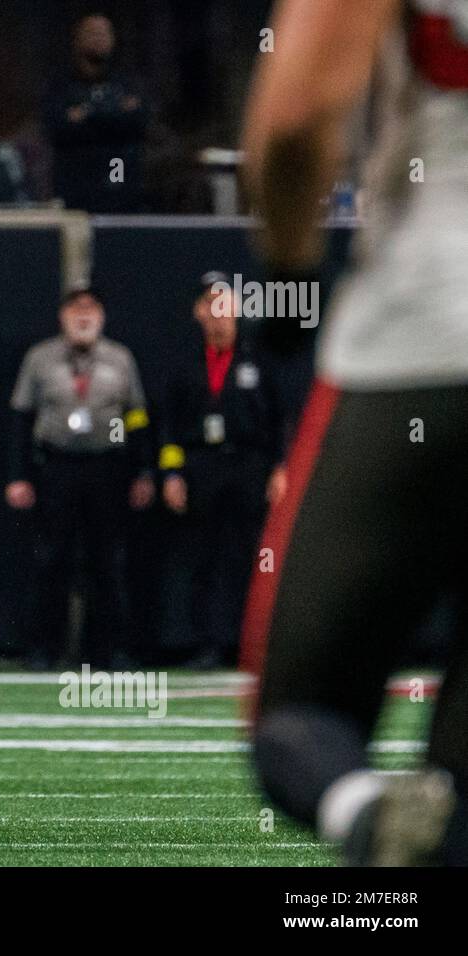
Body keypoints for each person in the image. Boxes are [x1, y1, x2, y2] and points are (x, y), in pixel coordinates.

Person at [242, 0, 468, 865]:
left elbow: (296, 121)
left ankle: (369, 817)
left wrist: (289, 268)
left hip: (428, 331)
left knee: (300, 726)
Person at [5, 285, 154, 668]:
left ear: (102, 317)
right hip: (56, 468)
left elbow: (136, 417)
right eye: (76, 309)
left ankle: (108, 651)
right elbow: (21, 419)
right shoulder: (40, 358)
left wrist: (142, 472)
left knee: (107, 561)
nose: (83, 316)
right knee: (50, 560)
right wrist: (18, 476)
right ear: (63, 317)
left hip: (108, 469)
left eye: (91, 309)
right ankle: (43, 650)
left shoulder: (120, 358)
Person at [157, 273, 287, 669]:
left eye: (225, 304)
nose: (218, 313)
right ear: (199, 311)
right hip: (202, 467)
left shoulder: (258, 359)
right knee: (203, 557)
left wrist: (279, 468)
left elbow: (280, 418)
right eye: (210, 304)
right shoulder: (183, 364)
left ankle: (252, 645)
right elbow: (168, 426)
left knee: (253, 558)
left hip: (249, 465)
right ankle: (207, 644)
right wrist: (172, 475)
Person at [43, 13, 148, 213]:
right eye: (92, 33)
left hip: (124, 196)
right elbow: (57, 128)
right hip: (77, 196)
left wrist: (86, 115)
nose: (99, 38)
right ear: (77, 40)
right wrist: (114, 114)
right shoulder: (61, 86)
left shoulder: (127, 83)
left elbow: (139, 122)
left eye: (104, 33)